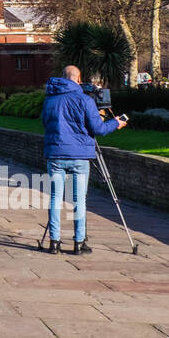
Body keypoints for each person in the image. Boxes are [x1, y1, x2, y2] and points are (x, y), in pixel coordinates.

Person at [42, 66, 128, 254]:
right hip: (80, 156)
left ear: (62, 77)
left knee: (55, 198)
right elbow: (99, 129)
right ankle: (79, 243)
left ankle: (54, 242)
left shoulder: (50, 99)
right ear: (78, 78)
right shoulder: (85, 100)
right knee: (79, 200)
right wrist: (115, 122)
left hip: (55, 154)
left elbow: (45, 123)